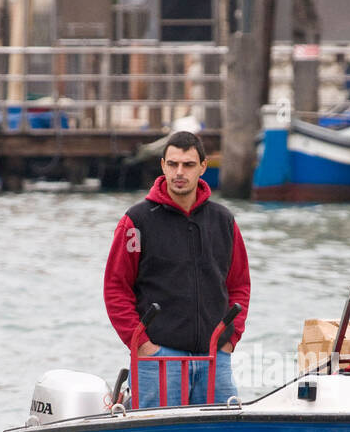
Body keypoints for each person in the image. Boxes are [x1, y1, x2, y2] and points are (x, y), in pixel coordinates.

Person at [103, 131, 250, 408]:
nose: (179, 172)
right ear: (162, 166)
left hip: (214, 357)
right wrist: (143, 345)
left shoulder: (224, 221)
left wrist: (230, 339)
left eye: (188, 165)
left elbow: (239, 285)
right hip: (158, 358)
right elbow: (115, 288)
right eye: (173, 164)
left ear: (203, 167)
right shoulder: (136, 221)